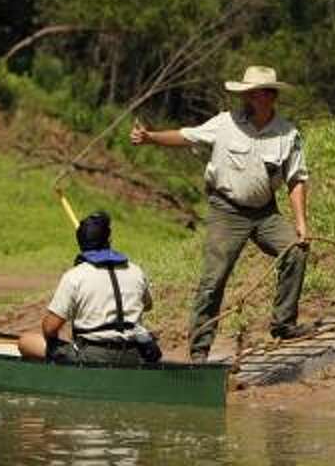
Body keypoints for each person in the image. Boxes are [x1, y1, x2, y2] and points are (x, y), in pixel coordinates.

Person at [130, 65, 311, 362]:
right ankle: (200, 351)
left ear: (270, 96)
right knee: (214, 280)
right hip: (226, 210)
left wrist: (301, 223)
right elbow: (187, 136)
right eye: (249, 93)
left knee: (296, 250)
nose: (253, 98)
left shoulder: (287, 133)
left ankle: (283, 324)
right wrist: (151, 138)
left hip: (265, 213)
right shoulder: (225, 123)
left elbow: (297, 179)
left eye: (259, 93)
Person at [18, 211, 160, 365]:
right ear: (109, 239)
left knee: (25, 341)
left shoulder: (75, 276)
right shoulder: (136, 270)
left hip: (92, 356)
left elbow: (49, 328)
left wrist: (56, 346)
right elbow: (148, 305)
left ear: (80, 243)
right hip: (134, 354)